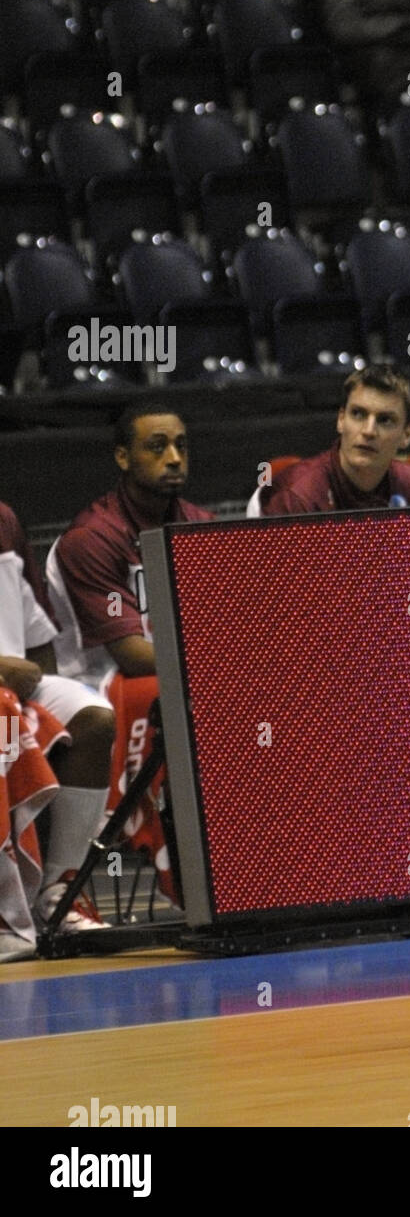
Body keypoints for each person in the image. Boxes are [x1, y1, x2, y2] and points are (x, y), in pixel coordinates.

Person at [0, 501, 116, 951]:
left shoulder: (6, 520)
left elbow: (37, 640)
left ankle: (59, 892)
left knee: (92, 717)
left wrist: (31, 681)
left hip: (12, 684)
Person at [47, 403, 213, 690]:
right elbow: (131, 657)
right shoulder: (90, 539)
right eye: (157, 447)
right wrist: (225, 663)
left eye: (181, 446)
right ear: (123, 457)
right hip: (101, 684)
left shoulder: (200, 524)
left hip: (181, 669)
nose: (174, 458)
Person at [256, 366, 410, 516]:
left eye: (385, 420)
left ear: (406, 435)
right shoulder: (299, 496)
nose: (368, 431)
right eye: (358, 414)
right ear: (341, 420)